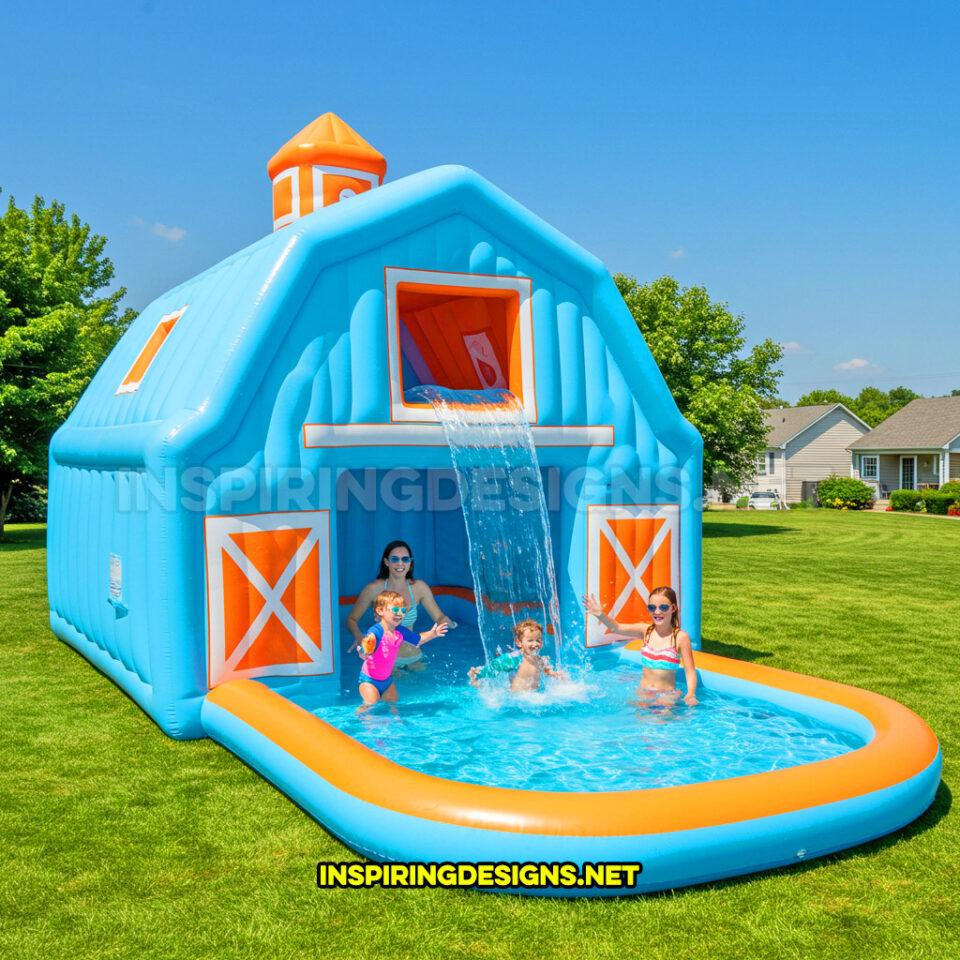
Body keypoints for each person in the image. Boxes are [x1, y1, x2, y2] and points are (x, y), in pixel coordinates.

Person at [346, 540, 453, 671]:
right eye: (395, 559)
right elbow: (351, 619)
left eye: (405, 559)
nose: (400, 563)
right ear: (386, 562)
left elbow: (440, 617)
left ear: (410, 562)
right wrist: (358, 636)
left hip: (414, 656)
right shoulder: (373, 589)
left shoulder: (419, 588)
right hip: (386, 660)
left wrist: (449, 624)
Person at [583, 586, 698, 706]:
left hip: (666, 695)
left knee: (661, 715)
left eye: (663, 607)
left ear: (673, 608)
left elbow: (690, 671)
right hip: (643, 692)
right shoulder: (646, 631)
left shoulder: (680, 637)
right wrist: (600, 614)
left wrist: (691, 694)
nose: (657, 612)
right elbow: (616, 628)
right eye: (652, 607)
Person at [357, 590, 448, 712]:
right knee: (370, 706)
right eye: (395, 610)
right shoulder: (377, 631)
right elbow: (368, 644)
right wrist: (363, 651)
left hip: (386, 680)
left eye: (403, 610)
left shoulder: (400, 631)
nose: (400, 614)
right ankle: (359, 718)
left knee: (394, 706)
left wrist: (433, 634)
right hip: (369, 680)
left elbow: (418, 640)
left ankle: (396, 723)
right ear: (380, 611)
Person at [468, 619, 568, 692]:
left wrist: (556, 675)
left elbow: (546, 670)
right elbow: (497, 665)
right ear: (519, 642)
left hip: (533, 697)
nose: (535, 644)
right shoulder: (516, 658)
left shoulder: (539, 659)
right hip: (517, 698)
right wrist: (480, 674)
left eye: (538, 640)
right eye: (530, 640)